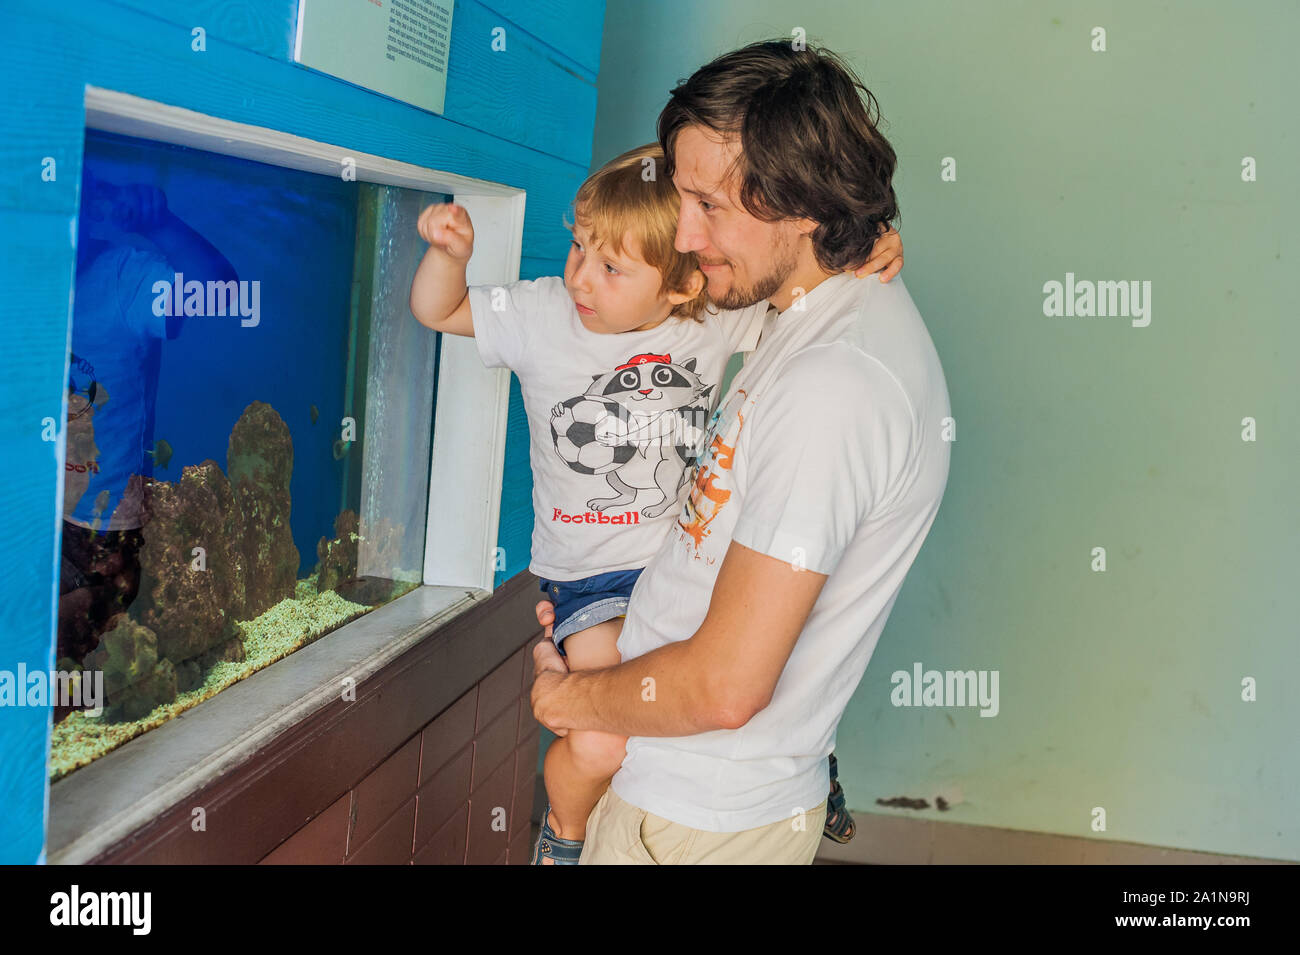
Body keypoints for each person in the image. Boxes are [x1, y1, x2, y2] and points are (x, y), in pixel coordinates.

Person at [408, 143, 903, 863]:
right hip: (594, 582)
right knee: (609, 735)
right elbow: (438, 308)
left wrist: (868, 250)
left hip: (687, 563)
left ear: (680, 287)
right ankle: (565, 834)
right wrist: (450, 255)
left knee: (770, 655)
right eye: (579, 247)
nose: (580, 274)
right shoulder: (543, 313)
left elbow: (811, 299)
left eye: (611, 266)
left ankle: (809, 766)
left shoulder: (709, 322)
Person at [528, 39, 952, 864]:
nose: (685, 235)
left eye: (709, 206)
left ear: (802, 202)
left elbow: (727, 686)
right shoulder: (806, 314)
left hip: (696, 822)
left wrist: (572, 695)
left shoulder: (836, 381)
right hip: (674, 790)